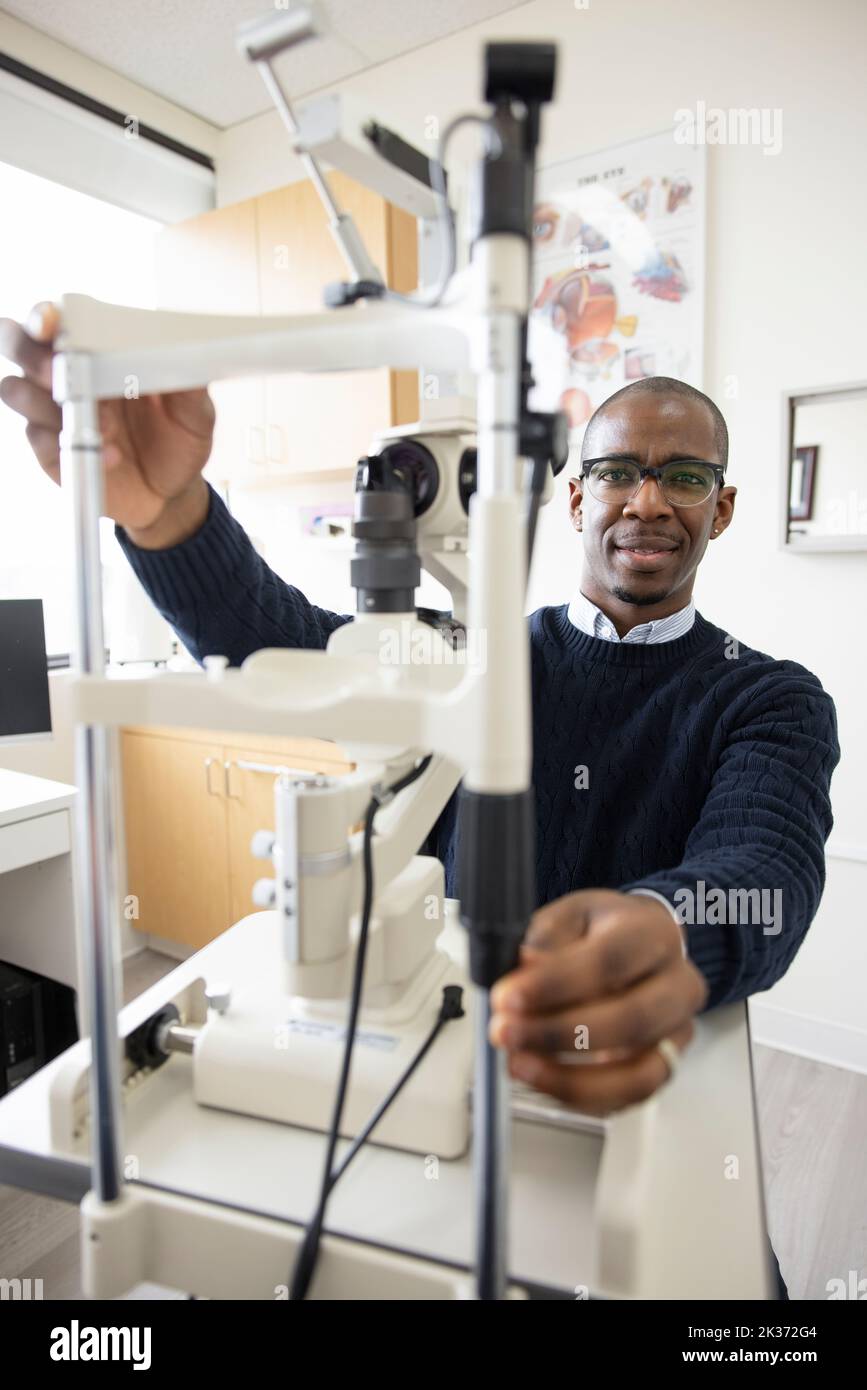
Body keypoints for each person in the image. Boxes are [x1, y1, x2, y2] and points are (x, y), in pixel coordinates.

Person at [1, 307, 840, 1296]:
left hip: (636, 1078)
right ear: (573, 498)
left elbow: (765, 867)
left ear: (724, 508)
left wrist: (660, 927)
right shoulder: (470, 657)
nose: (649, 500)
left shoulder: (768, 693)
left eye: (685, 477)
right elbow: (295, 644)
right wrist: (164, 511)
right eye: (618, 471)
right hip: (442, 1074)